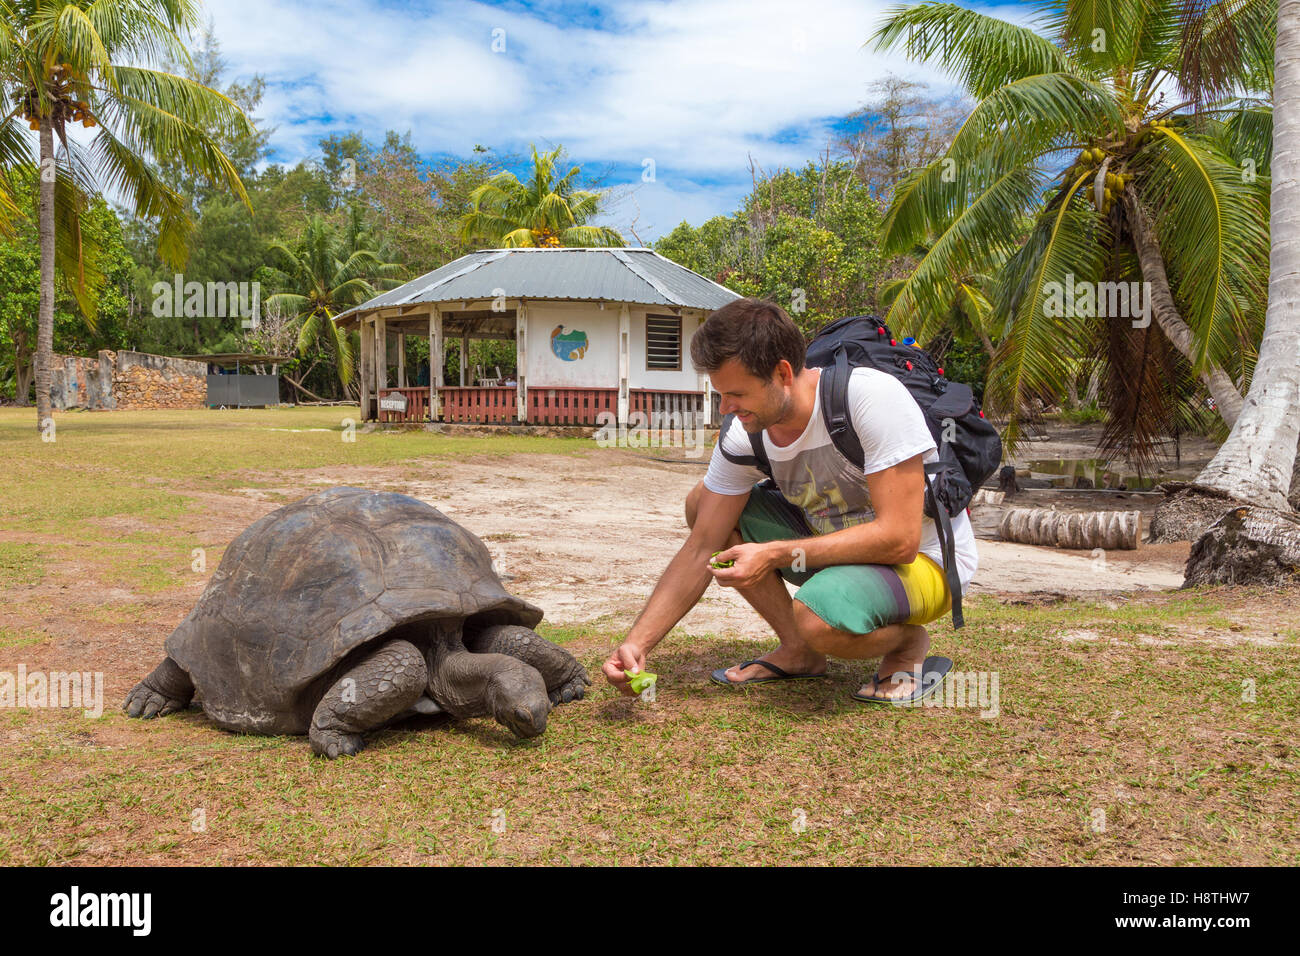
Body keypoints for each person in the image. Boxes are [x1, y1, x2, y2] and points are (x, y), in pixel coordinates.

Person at [601, 299, 979, 703]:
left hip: (923, 561)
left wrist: (774, 553)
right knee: (703, 506)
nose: (725, 408)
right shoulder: (745, 434)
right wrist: (638, 644)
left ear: (782, 373)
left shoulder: (869, 398)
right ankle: (800, 652)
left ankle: (906, 645)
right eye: (720, 395)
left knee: (816, 617)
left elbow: (899, 539)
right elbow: (703, 546)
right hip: (835, 554)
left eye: (736, 394)